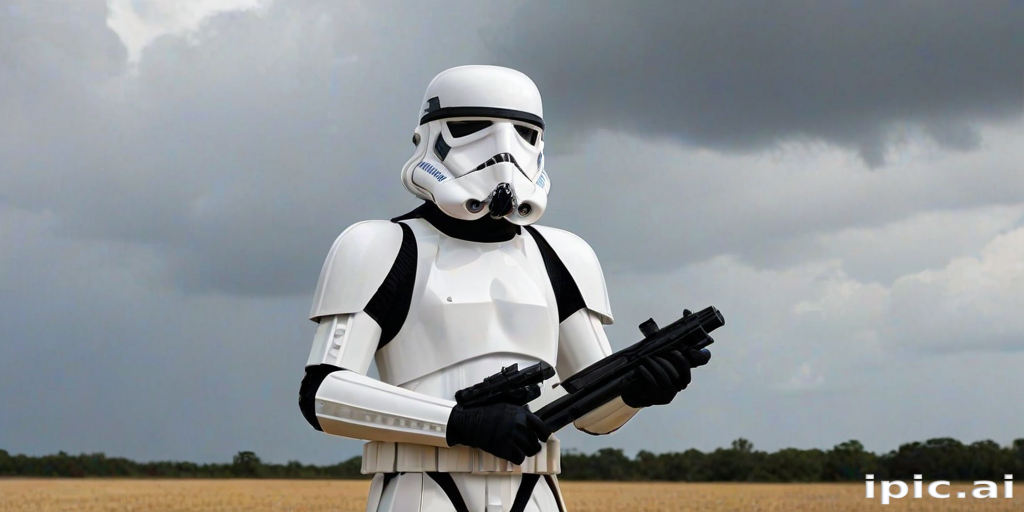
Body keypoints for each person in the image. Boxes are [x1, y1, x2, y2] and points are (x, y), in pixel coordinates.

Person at [298, 65, 711, 512]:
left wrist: (635, 392)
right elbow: (324, 395)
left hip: (535, 490)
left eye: (524, 133)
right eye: (473, 128)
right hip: (422, 490)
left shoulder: (563, 255)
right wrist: (458, 423)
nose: (503, 151)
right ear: (430, 136)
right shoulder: (380, 247)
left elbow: (591, 412)